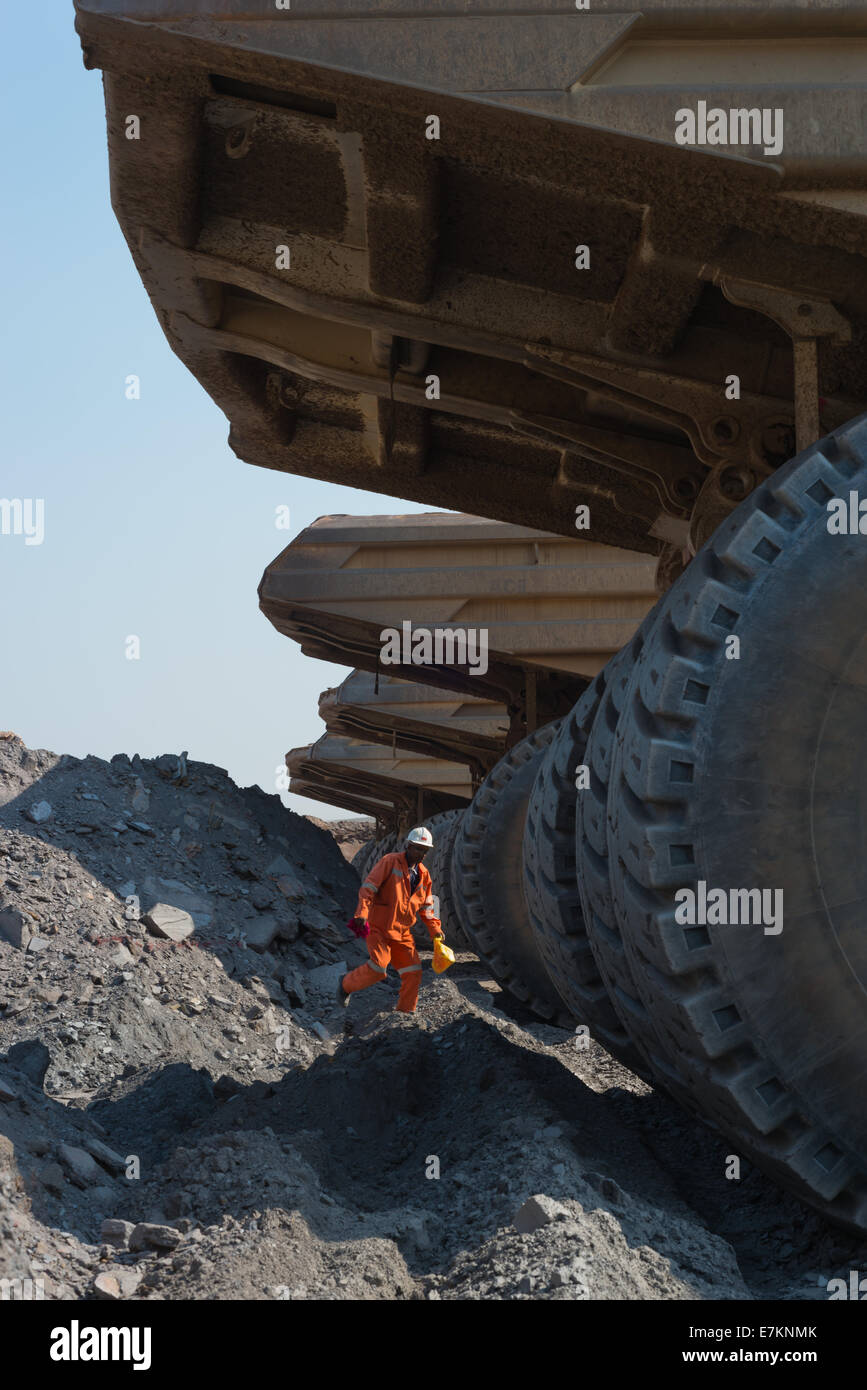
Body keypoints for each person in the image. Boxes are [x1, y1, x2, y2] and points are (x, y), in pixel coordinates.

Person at [338, 827, 443, 1014]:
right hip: (378, 928)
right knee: (378, 968)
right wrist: (361, 914)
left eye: (425, 850)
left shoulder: (424, 875)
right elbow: (368, 888)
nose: (421, 854)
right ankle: (345, 985)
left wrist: (435, 930)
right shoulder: (390, 862)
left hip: (402, 933)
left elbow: (427, 907)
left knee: (413, 971)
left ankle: (405, 1013)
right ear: (408, 846)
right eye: (418, 848)